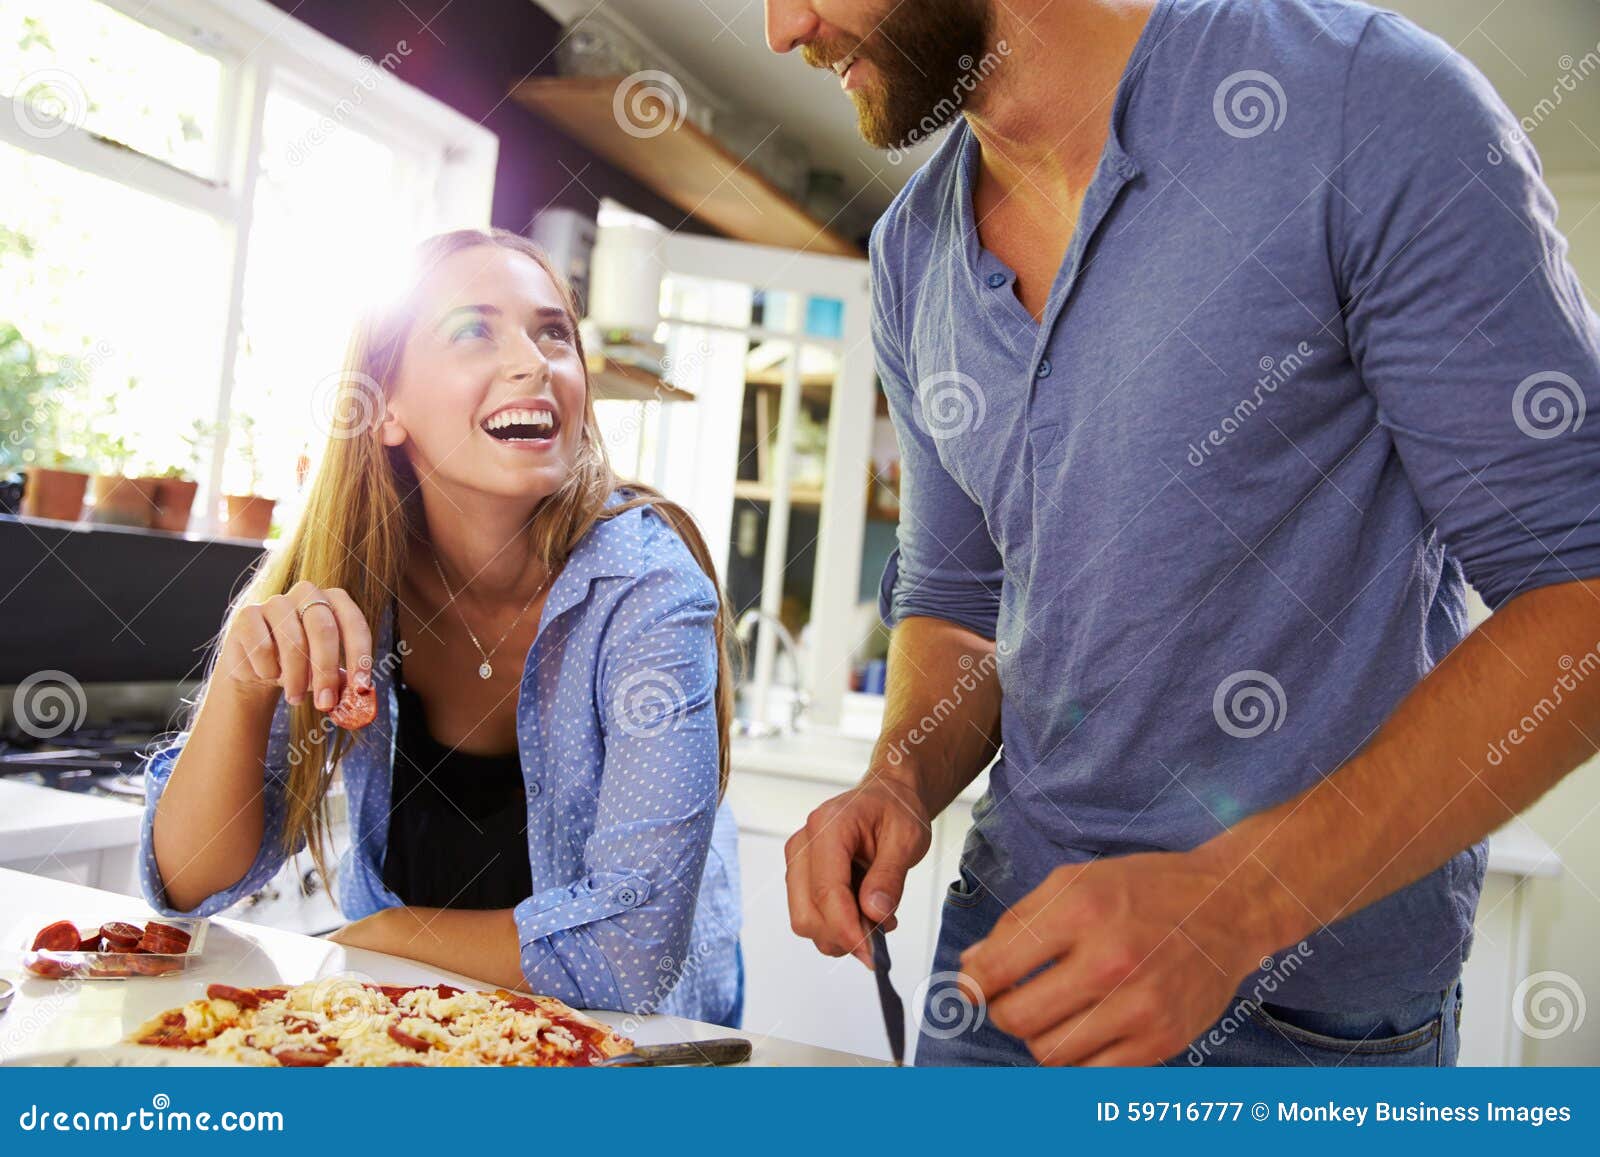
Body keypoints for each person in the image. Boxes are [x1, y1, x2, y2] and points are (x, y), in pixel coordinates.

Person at [769, 0, 1600, 1065]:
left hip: (1304, 1018)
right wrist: (897, 774)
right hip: (1005, 968)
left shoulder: (1368, 102)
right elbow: (958, 606)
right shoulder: (907, 253)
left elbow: (1576, 593)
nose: (782, 30)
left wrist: (1234, 906)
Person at [139, 228, 743, 1026]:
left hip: (620, 1051)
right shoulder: (345, 574)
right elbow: (189, 884)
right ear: (384, 406)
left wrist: (388, 934)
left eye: (552, 331)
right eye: (474, 330)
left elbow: (628, 954)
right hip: (411, 1029)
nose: (535, 362)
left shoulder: (646, 587)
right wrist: (243, 685)